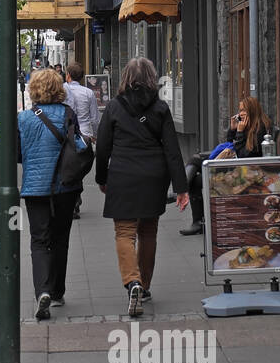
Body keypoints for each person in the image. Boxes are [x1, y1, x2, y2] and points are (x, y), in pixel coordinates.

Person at [94, 57, 188, 318]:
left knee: (124, 232)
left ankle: (132, 281)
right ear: (151, 78)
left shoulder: (113, 107)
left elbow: (102, 148)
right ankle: (144, 287)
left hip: (122, 174)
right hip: (153, 176)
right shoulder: (160, 108)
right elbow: (172, 150)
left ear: (125, 78)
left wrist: (102, 178)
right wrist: (181, 187)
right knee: (148, 231)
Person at [19, 70, 87, 321]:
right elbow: (77, 145)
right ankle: (57, 291)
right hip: (65, 186)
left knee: (39, 240)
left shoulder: (23, 118)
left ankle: (42, 291)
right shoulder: (68, 114)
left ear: (33, 90)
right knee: (60, 239)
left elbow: (17, 154)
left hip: (35, 188)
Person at [180, 97, 271, 235]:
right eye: (239, 110)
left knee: (197, 180)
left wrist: (240, 133)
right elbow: (231, 144)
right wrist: (233, 130)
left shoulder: (259, 129)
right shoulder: (249, 124)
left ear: (251, 110)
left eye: (243, 110)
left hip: (245, 172)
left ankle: (186, 200)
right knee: (196, 159)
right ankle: (183, 192)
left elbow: (243, 157)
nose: (240, 113)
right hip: (236, 165)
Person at [63, 63, 101, 219]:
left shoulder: (61, 89)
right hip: (84, 136)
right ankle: (75, 198)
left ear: (68, 75)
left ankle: (72, 200)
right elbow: (94, 118)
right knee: (79, 169)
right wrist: (95, 136)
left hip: (66, 135)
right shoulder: (88, 93)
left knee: (67, 167)